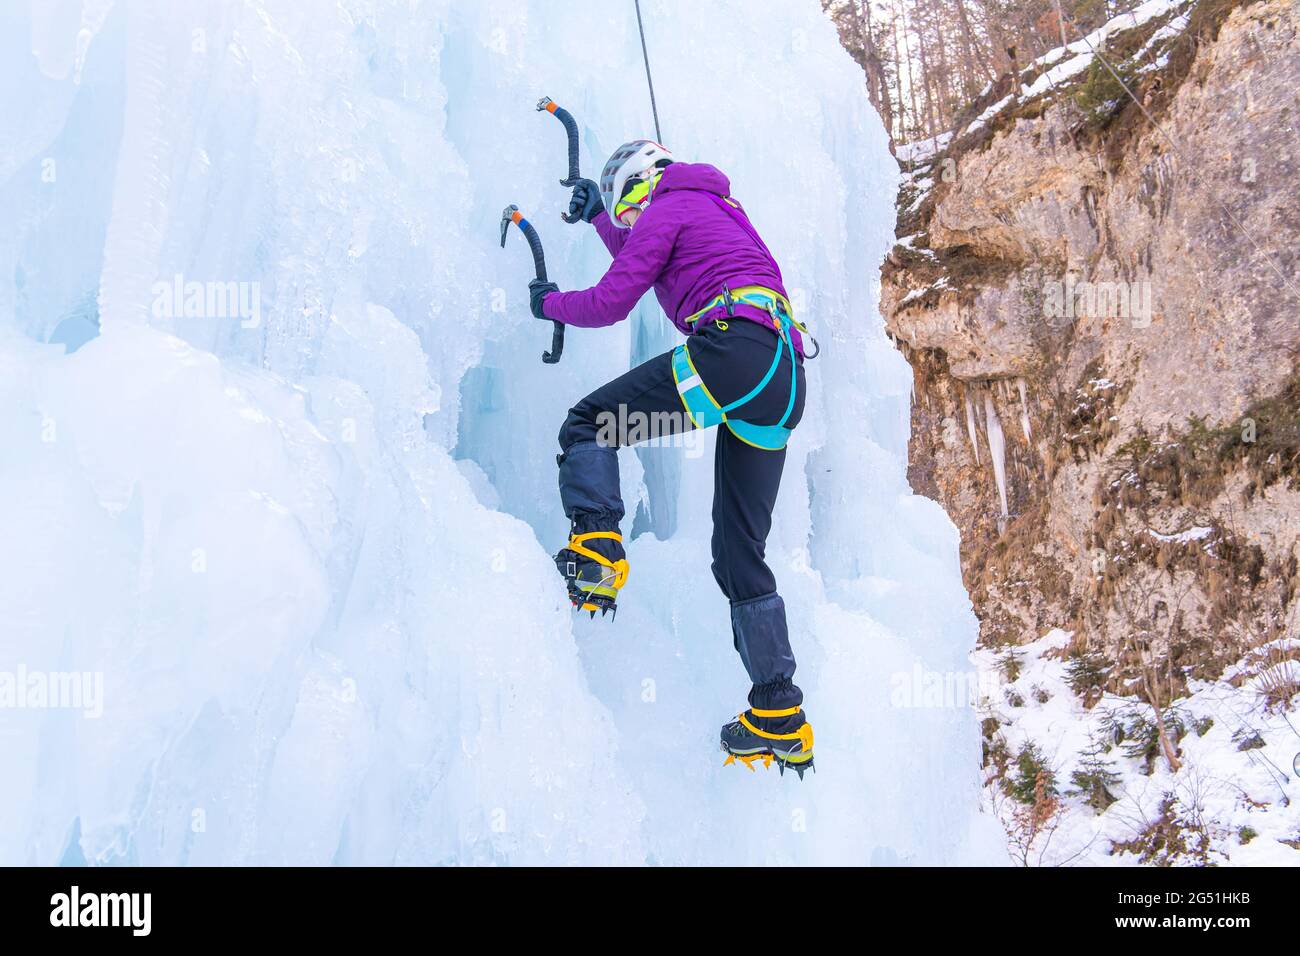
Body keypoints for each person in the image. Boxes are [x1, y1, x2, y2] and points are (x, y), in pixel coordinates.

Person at [528, 140, 814, 776]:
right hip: (780, 378)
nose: (628, 222)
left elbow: (611, 301)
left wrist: (548, 302)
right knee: (739, 554)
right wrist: (600, 219)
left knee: (590, 424)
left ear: (638, 185)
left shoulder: (669, 200)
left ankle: (598, 549)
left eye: (624, 206)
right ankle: (778, 712)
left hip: (731, 354)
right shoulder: (714, 206)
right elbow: (647, 261)